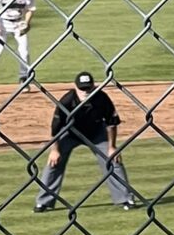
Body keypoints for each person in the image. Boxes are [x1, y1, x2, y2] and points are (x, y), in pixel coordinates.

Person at [34, 72, 138, 214]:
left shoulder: (101, 98)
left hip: (96, 134)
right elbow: (55, 129)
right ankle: (43, 202)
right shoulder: (66, 101)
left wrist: (112, 147)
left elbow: (111, 124)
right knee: (53, 163)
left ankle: (126, 198)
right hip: (70, 133)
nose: (85, 92)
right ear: (76, 88)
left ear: (93, 86)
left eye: (88, 88)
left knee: (114, 160)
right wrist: (55, 150)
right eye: (82, 89)